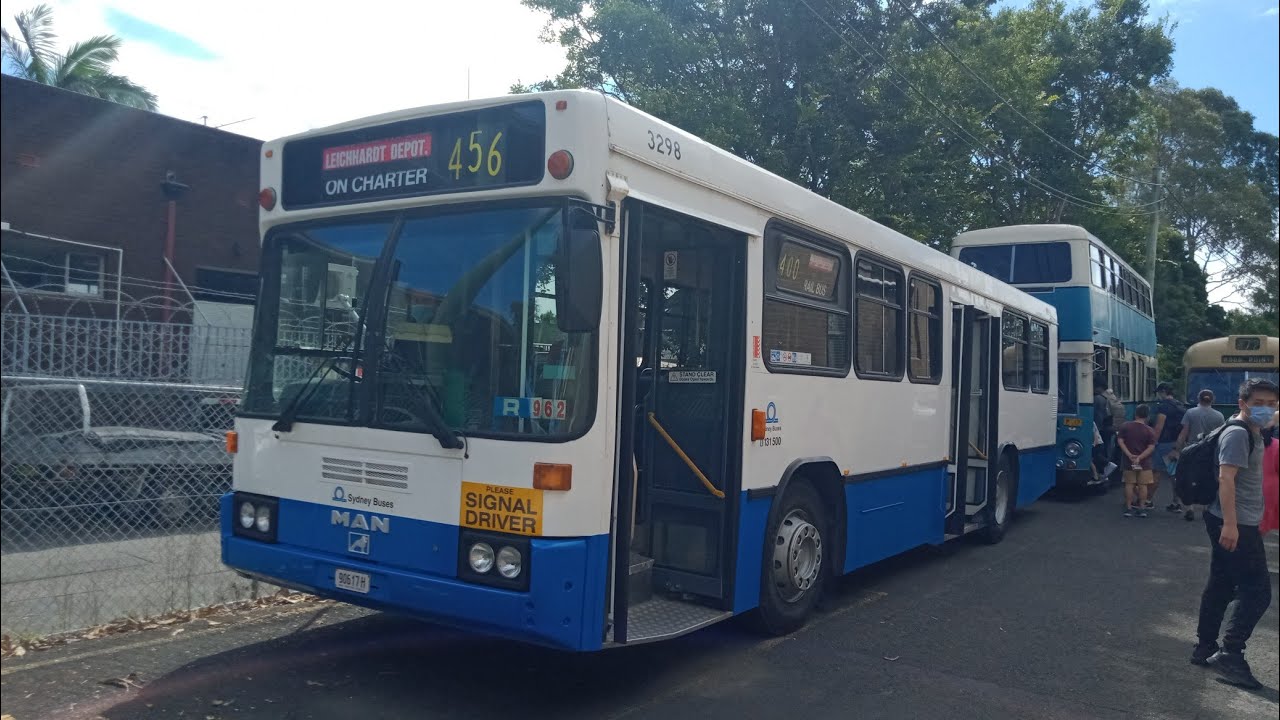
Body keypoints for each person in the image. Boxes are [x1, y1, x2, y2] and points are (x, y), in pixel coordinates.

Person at [1191, 377, 1278, 690]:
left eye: (1272, 404)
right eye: (1259, 404)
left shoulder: (1253, 426)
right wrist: (1230, 524)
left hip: (1236, 520)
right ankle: (1231, 652)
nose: (1266, 410)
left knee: (1222, 584)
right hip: (1235, 522)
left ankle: (1204, 646)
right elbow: (1226, 479)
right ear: (1242, 404)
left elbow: (1271, 416)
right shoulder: (1238, 434)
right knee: (1257, 591)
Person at [1170, 389, 1226, 520]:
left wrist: (1177, 449)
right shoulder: (1219, 416)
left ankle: (1189, 508)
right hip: (1210, 452)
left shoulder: (1190, 413)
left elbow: (1184, 432)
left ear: (1198, 399)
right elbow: (1221, 435)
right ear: (1213, 400)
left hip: (1191, 450)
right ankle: (1206, 508)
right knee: (1207, 479)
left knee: (1188, 478)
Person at [1149, 382, 1185, 510]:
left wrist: (1153, 442)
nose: (1158, 395)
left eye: (1159, 392)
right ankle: (1176, 502)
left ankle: (1148, 500)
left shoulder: (1164, 406)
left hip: (1163, 443)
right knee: (1174, 474)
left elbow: (1159, 426)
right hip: (1177, 443)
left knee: (1155, 471)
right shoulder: (1180, 405)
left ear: (1163, 392)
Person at [1117, 404, 1157, 518]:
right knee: (1143, 486)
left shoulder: (1126, 426)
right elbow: (1151, 447)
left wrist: (1129, 455)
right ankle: (1142, 508)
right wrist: (1140, 457)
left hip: (1128, 461)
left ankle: (1129, 508)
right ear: (1147, 416)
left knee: (1129, 484)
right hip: (1144, 463)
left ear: (1136, 413)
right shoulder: (1150, 430)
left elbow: (1120, 441)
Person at [1093, 379, 1118, 482]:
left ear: (1099, 387)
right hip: (1110, 428)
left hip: (1102, 429)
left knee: (1096, 451)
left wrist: (1095, 431)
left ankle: (1105, 467)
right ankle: (1105, 471)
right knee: (1104, 449)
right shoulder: (1111, 397)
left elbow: (1098, 417)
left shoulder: (1098, 398)